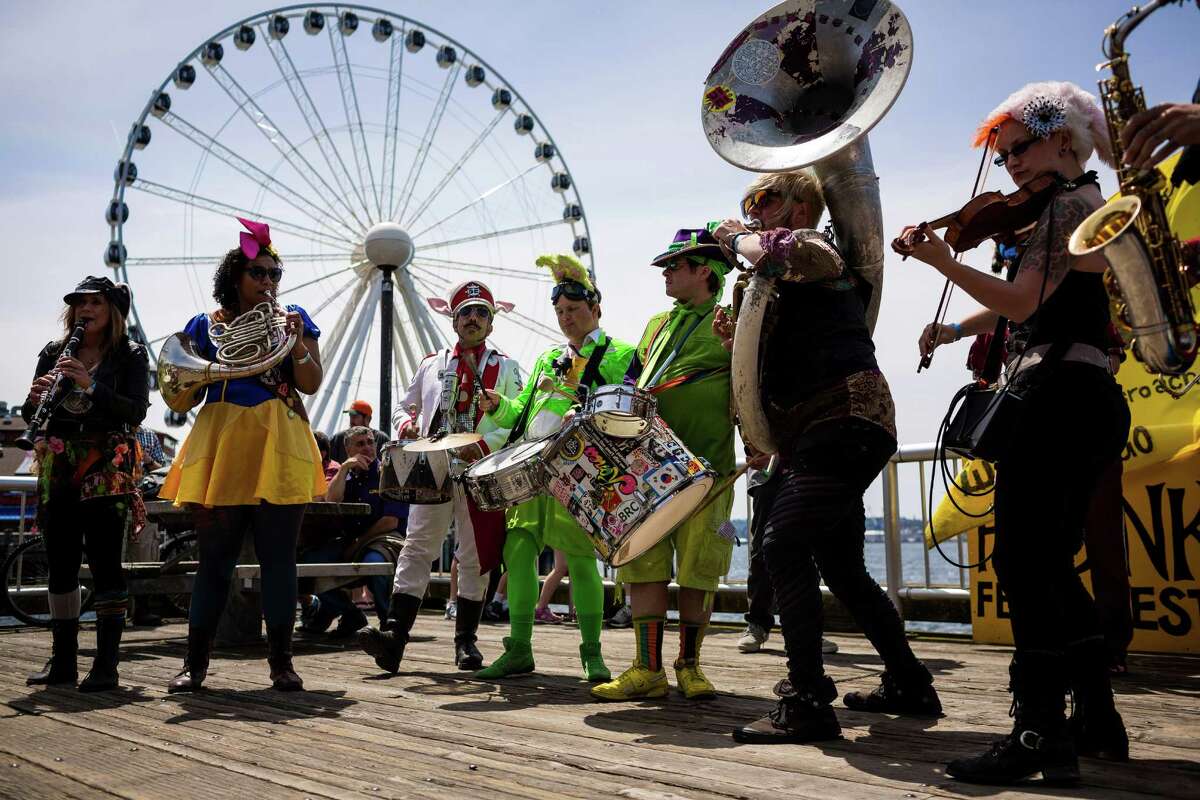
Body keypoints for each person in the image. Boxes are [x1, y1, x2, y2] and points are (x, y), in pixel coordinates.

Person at [896, 82, 1131, 784]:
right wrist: (955, 325)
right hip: (1084, 396)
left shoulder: (1064, 206)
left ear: (1065, 138)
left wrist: (942, 262)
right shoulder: (1081, 204)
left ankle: (1036, 735)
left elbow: (1024, 298)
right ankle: (1094, 718)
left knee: (1026, 566)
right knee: (1049, 565)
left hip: (1058, 399)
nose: (1012, 169)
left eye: (1019, 149)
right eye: (1003, 159)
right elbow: (1036, 305)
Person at [710, 170, 941, 744]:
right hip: (819, 429)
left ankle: (809, 700)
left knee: (782, 543)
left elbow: (779, 250)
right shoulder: (773, 279)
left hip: (842, 419)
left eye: (761, 200)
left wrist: (732, 233)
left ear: (798, 205)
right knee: (842, 570)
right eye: (748, 204)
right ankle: (909, 682)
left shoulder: (814, 249)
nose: (753, 210)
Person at [161, 217, 326, 693]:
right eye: (258, 272)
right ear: (234, 277)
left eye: (274, 274)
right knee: (215, 559)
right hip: (222, 440)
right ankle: (194, 664)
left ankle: (282, 662)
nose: (268, 282)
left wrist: (296, 343)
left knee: (280, 559)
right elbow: (182, 393)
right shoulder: (205, 325)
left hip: (280, 438)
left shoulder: (293, 318)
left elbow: (311, 383)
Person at [591, 228, 736, 702]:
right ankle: (646, 670)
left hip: (709, 467)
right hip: (647, 469)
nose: (666, 274)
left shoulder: (732, 320)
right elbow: (633, 378)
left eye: (675, 266)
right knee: (644, 565)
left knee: (699, 569)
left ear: (705, 271)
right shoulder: (655, 324)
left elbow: (754, 380)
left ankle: (689, 666)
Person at [475, 254, 635, 683]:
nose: (565, 318)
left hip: (582, 470)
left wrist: (572, 392)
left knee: (581, 561)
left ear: (595, 308)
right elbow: (524, 409)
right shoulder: (549, 357)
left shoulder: (620, 353)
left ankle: (592, 654)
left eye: (573, 310)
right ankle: (519, 648)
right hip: (535, 469)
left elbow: (623, 404)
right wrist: (498, 405)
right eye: (560, 311)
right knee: (519, 553)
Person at [357, 280, 522, 673]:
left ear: (492, 322)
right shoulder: (431, 364)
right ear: (453, 319)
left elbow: (517, 418)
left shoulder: (508, 367)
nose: (473, 319)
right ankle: (394, 637)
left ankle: (466, 642)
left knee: (471, 554)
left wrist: (482, 445)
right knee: (417, 547)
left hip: (479, 470)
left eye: (482, 312)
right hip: (431, 467)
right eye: (466, 312)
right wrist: (407, 425)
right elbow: (403, 407)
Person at [22, 277, 149, 691]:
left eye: (95, 302)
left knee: (105, 563)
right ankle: (63, 662)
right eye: (80, 303)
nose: (85, 310)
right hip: (60, 464)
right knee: (59, 563)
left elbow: (135, 412)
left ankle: (106, 665)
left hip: (106, 468)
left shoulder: (130, 355)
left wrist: (89, 385)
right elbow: (32, 413)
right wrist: (35, 397)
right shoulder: (54, 353)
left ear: (112, 310)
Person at [304, 425, 407, 633]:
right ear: (348, 450)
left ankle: (389, 626)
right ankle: (351, 614)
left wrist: (358, 544)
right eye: (360, 444)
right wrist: (343, 470)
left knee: (375, 564)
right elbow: (331, 502)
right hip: (349, 540)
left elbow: (390, 522)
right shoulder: (347, 474)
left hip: (384, 539)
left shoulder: (388, 472)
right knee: (307, 567)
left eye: (370, 442)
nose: (368, 448)